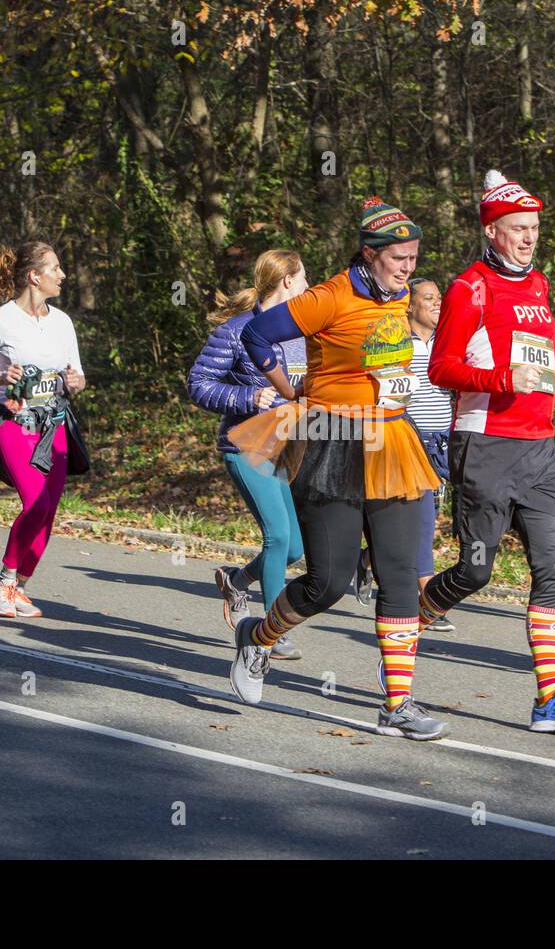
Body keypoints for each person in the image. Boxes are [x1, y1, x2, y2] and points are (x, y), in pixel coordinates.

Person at [226, 196, 446, 740]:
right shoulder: (329, 296)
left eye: (414, 257)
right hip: (332, 437)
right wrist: (289, 390)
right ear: (370, 255)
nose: (408, 267)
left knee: (397, 575)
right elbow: (257, 336)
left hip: (393, 438)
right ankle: (257, 639)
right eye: (398, 258)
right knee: (328, 582)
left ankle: (397, 704)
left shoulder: (406, 302)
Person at [419, 169, 555, 735]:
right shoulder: (468, 288)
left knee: (551, 570)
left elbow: (534, 358)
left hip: (539, 451)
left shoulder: (540, 285)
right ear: (493, 231)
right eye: (519, 228)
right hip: (484, 447)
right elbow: (441, 367)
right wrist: (502, 378)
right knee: (476, 573)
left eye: (535, 228)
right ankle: (409, 620)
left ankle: (549, 701)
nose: (529, 238)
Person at [0, 241, 89, 618]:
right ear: (35, 276)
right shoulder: (1, 320)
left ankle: (20, 586)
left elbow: (77, 375)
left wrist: (75, 382)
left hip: (54, 426)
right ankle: (4, 580)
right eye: (55, 268)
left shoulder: (62, 322)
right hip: (15, 423)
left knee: (49, 511)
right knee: (36, 502)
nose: (62, 275)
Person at [189, 250, 308, 660]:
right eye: (304, 278)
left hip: (285, 447)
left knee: (294, 548)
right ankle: (272, 631)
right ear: (288, 281)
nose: (309, 286)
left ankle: (238, 581)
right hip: (245, 444)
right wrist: (248, 396)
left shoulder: (300, 332)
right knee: (277, 537)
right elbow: (199, 383)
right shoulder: (237, 330)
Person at [404, 276, 457, 632]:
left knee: (434, 513)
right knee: (423, 516)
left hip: (446, 440)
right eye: (429, 298)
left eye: (440, 297)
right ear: (409, 305)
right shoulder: (398, 342)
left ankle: (369, 559)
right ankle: (427, 596)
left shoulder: (447, 343)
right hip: (410, 438)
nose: (438, 303)